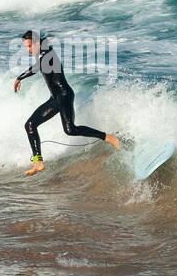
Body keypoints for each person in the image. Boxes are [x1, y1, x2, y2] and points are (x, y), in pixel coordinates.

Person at [14, 30, 120, 176]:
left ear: (37, 43)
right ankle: (38, 162)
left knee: (70, 130)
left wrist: (19, 78)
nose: (28, 50)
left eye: (30, 46)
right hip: (54, 99)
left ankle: (108, 137)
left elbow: (38, 67)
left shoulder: (47, 53)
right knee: (30, 125)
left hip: (64, 95)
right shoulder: (42, 49)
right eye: (26, 47)